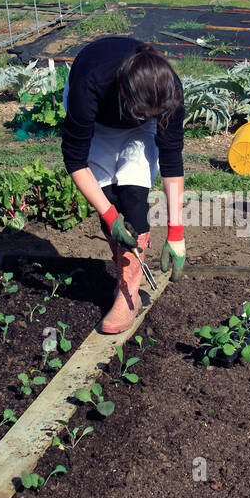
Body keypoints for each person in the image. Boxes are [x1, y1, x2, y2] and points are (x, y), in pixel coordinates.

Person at [62, 37, 186, 332]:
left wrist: (177, 233)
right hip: (99, 121)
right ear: (123, 93)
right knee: (107, 200)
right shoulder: (88, 84)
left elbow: (171, 161)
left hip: (139, 114)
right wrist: (109, 215)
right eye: (147, 115)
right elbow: (75, 161)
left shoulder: (167, 91)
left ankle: (128, 294)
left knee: (132, 200)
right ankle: (123, 274)